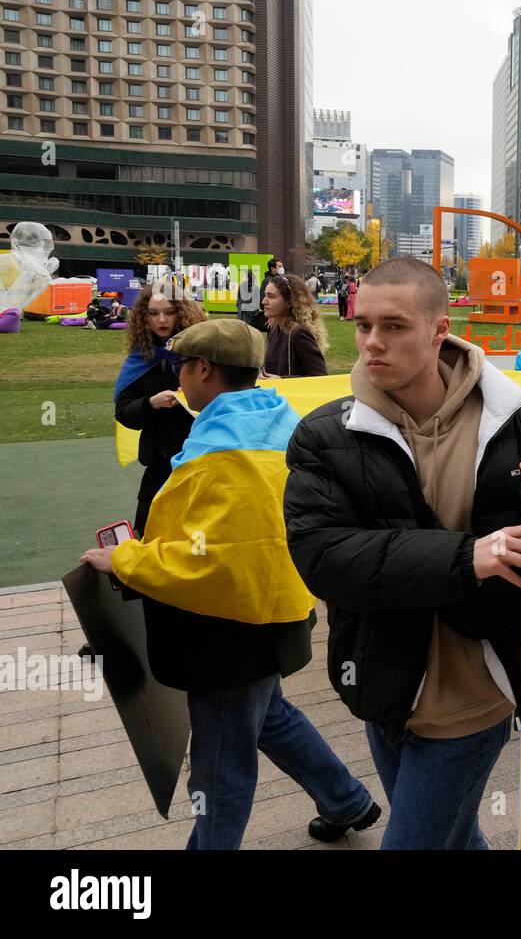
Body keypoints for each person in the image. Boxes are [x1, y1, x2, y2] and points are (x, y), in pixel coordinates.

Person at [283, 257, 521, 849]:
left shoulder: (515, 420)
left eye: (395, 326)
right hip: (386, 679)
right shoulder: (325, 434)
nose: (373, 343)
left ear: (439, 330)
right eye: (363, 323)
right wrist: (467, 557)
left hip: (478, 690)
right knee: (454, 839)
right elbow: (325, 559)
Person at [83, 319, 379, 850]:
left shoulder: (218, 454)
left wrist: (125, 559)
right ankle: (347, 801)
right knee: (269, 716)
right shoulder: (285, 426)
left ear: (202, 370)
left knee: (219, 775)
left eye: (179, 370)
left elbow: (208, 565)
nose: (176, 381)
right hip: (280, 611)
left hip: (223, 631)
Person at [114, 277, 207, 536]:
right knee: (146, 535)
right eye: (154, 314)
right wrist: (151, 403)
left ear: (182, 313)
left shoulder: (203, 349)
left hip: (201, 462)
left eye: (169, 312)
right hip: (160, 463)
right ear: (144, 318)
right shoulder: (141, 357)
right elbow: (123, 411)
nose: (162, 320)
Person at [262, 273, 328, 379]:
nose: (264, 301)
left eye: (271, 296)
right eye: (265, 295)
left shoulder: (298, 333)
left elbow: (320, 377)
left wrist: (282, 380)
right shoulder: (273, 331)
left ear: (289, 302)